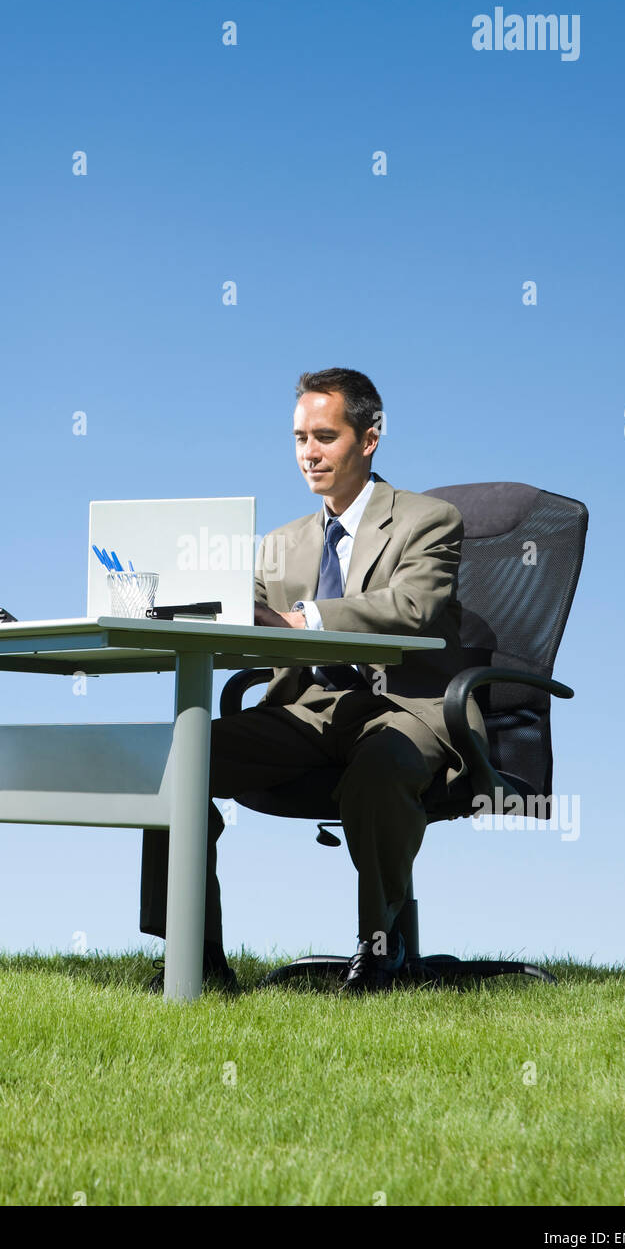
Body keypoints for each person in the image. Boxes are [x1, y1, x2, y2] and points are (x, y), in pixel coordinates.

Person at [139, 367, 488, 993]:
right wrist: (184, 610)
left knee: (381, 767)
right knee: (181, 762)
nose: (308, 454)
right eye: (300, 438)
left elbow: (415, 608)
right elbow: (236, 616)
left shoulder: (429, 519)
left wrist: (302, 619)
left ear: (370, 438)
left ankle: (381, 951)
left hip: (406, 706)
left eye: (324, 436)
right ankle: (194, 953)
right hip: (308, 711)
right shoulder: (279, 543)